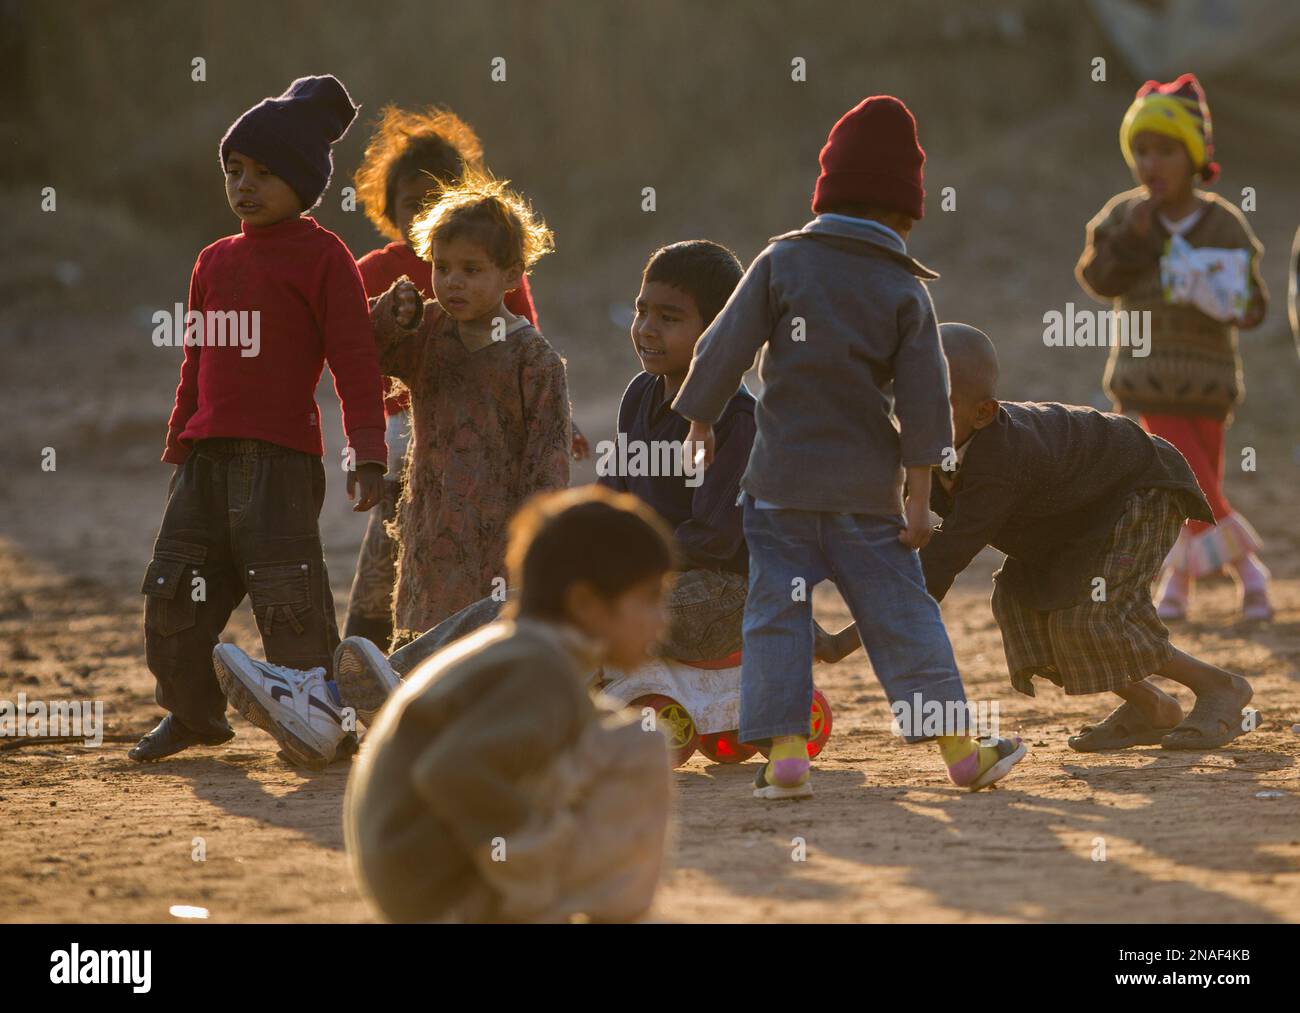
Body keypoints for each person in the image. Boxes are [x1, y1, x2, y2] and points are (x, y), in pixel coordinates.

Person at [673, 96, 1025, 800]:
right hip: (867, 493)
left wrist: (700, 421)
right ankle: (960, 750)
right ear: (906, 211)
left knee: (775, 612)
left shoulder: (782, 262)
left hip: (777, 488)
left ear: (827, 191)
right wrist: (920, 502)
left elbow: (723, 347)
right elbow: (926, 402)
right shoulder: (901, 288)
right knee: (901, 614)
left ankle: (786, 754)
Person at [131, 75, 387, 766]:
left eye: (266, 173)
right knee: (172, 596)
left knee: (290, 601)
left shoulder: (325, 257)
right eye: (235, 171)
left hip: (279, 464)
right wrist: (181, 438)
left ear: (304, 184)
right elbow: (196, 357)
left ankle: (321, 715)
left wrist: (369, 449)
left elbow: (355, 359)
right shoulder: (213, 260)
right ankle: (193, 714)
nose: (245, 185)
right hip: (206, 461)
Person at [344, 486, 674, 923]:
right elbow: (451, 771)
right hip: (443, 898)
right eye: (651, 598)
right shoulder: (542, 669)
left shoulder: (523, 650)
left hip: (416, 883)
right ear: (586, 604)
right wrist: (535, 862)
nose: (663, 618)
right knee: (636, 745)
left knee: (610, 727)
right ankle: (608, 909)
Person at [918, 323, 1255, 751]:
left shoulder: (996, 459)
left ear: (982, 413)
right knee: (1020, 603)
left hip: (1140, 489)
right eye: (910, 400)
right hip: (1075, 519)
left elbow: (942, 561)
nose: (919, 416)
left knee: (1091, 613)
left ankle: (1221, 686)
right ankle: (1151, 707)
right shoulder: (925, 448)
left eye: (938, 404)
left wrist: (845, 641)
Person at [344, 105, 583, 650]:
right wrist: (390, 314)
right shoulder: (427, 327)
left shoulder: (532, 357)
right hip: (429, 509)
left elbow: (546, 454)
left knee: (486, 627)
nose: (451, 282)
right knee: (416, 611)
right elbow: (365, 353)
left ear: (508, 274)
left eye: (470, 271)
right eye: (442, 268)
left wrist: (536, 533)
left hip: (497, 513)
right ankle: (369, 668)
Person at [1076, 73, 1271, 622]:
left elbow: (1254, 306)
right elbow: (1098, 278)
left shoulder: (1224, 224)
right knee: (1174, 489)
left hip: (1206, 384)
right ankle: (1242, 571)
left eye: (1164, 150)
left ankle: (1189, 582)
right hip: (1142, 382)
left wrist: (1227, 298)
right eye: (1140, 150)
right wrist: (1136, 237)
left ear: (1192, 154)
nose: (1150, 163)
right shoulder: (1123, 216)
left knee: (1188, 490)